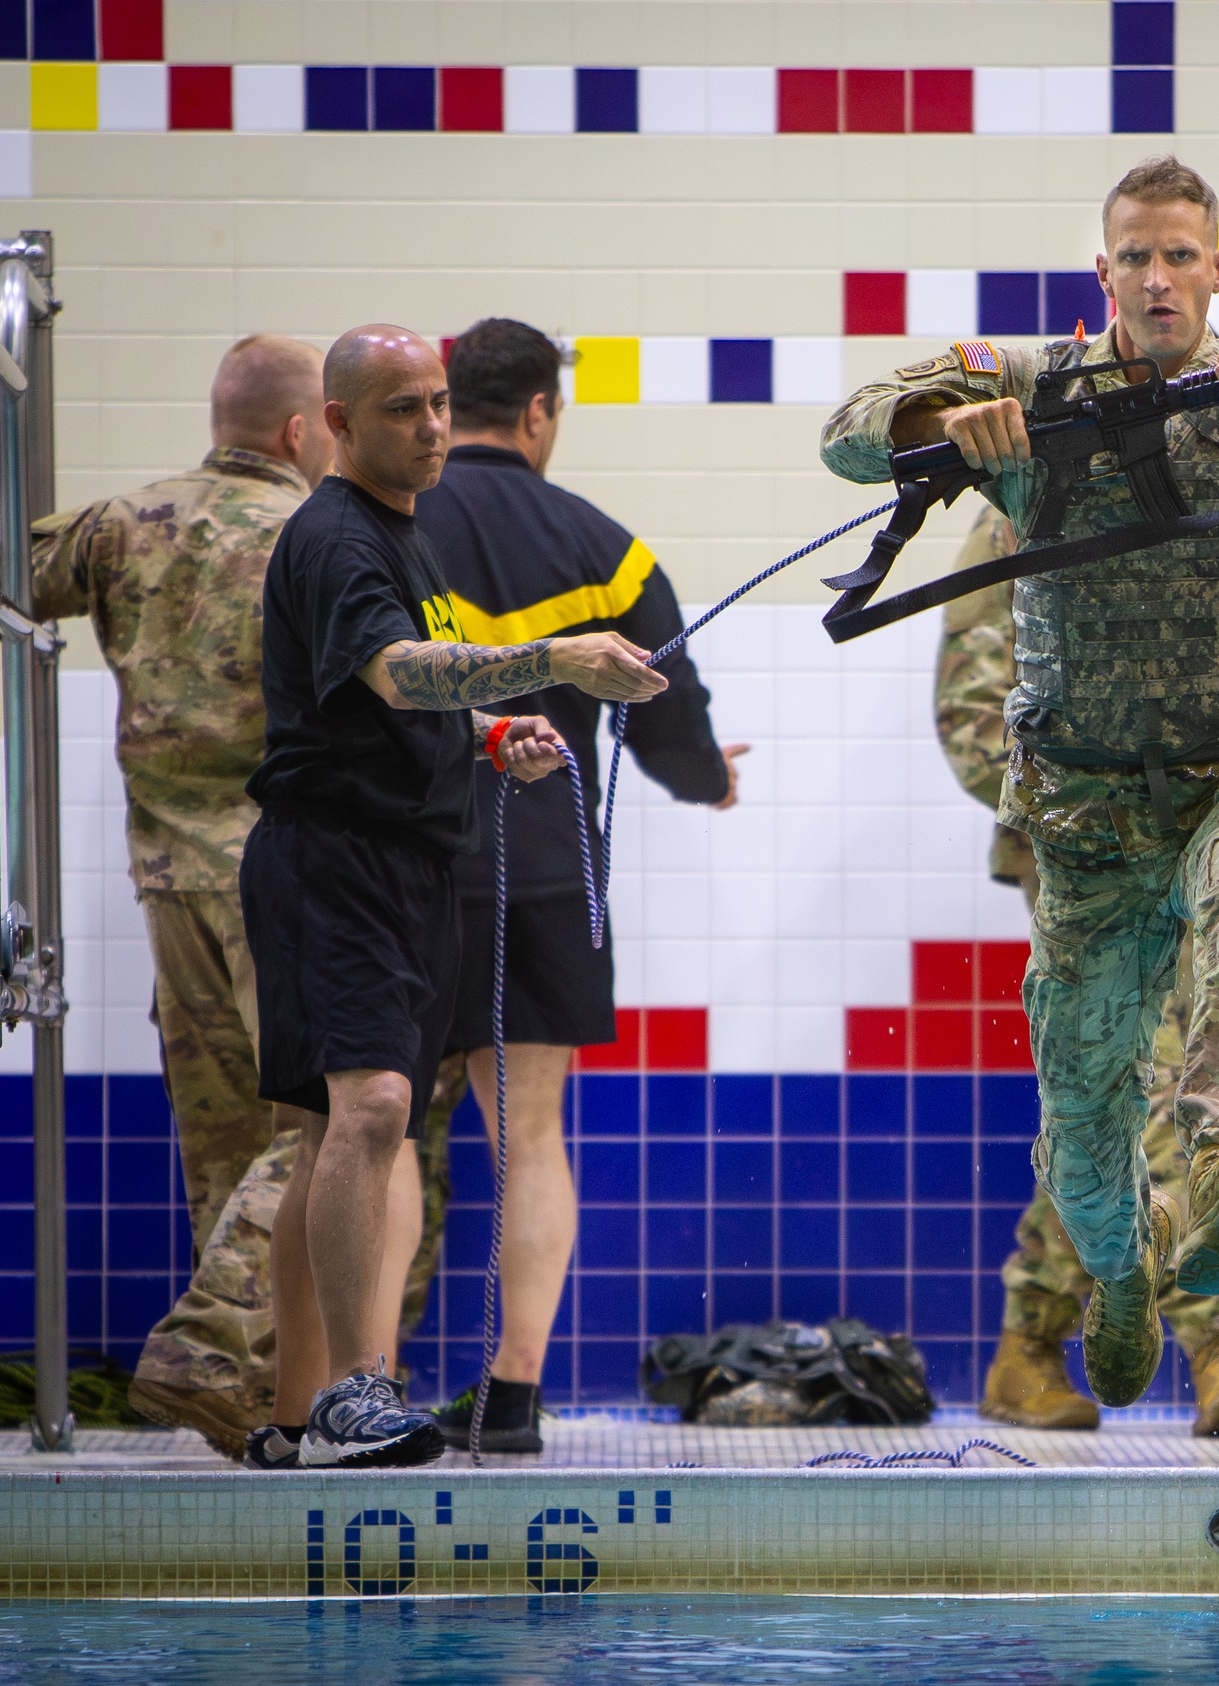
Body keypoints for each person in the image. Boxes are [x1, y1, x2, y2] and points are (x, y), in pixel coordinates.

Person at [825, 156, 1219, 1412]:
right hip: (1087, 811)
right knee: (1086, 1109)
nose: (1158, 279)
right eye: (1134, 258)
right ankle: (1116, 1269)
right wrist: (948, 431)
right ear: (1099, 271)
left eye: (1180, 256)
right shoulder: (1028, 382)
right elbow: (844, 434)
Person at [239, 323, 667, 1469]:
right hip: (338, 862)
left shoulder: (405, 533)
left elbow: (391, 702)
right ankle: (346, 1394)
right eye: (400, 410)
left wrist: (485, 737)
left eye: (437, 403)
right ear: (334, 423)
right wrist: (559, 661)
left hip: (405, 858)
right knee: (374, 1107)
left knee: (343, 1126)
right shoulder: (338, 536)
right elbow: (396, 672)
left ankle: (293, 1415)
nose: (430, 428)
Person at [413, 317, 742, 1453]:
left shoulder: (392, 524)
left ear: (446, 407)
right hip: (546, 875)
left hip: (408, 866)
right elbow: (667, 701)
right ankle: (510, 1394)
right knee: (529, 1135)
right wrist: (705, 783)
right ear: (542, 413)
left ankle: (350, 1390)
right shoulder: (602, 545)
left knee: (371, 1131)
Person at [27, 335, 337, 1458]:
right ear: (303, 432)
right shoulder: (316, 534)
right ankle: (212, 1343)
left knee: (222, 1141)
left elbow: (4, 565)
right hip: (281, 874)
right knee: (321, 1124)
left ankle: (248, 1411)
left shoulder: (123, 525)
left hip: (166, 879)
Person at [939, 512, 1219, 1437]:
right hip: (1088, 840)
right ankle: (1207, 1341)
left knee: (1118, 1101)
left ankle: (1033, 1340)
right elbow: (970, 701)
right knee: (1121, 1088)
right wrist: (1087, 787)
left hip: (1210, 827)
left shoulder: (1218, 479)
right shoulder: (1031, 497)